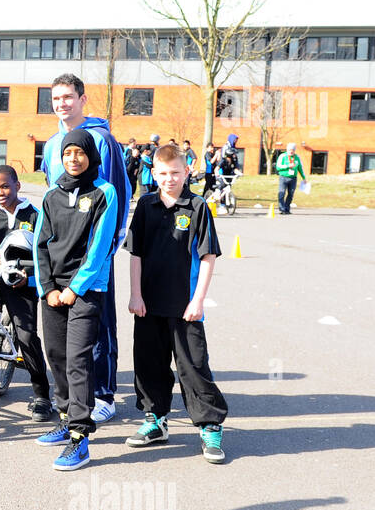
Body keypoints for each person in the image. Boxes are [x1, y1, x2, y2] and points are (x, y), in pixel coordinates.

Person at [126, 144, 228, 462]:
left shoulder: (197, 207)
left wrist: (198, 300)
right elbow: (136, 254)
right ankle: (155, 421)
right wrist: (135, 294)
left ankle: (210, 426)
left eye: (175, 173)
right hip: (148, 304)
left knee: (193, 366)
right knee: (149, 365)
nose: (169, 179)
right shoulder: (145, 205)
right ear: (153, 173)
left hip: (186, 306)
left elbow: (208, 256)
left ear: (187, 172)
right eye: (163, 173)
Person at [40, 74, 132, 424]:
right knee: (65, 336)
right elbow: (54, 195)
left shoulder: (103, 140)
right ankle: (74, 400)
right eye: (56, 98)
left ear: (82, 99)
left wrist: (110, 247)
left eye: (68, 97)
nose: (62, 104)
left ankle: (105, 392)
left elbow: (117, 196)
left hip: (95, 254)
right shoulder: (51, 145)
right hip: (63, 252)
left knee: (100, 326)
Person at [32, 129, 120, 471]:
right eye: (67, 153)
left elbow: (100, 246)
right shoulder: (52, 195)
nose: (73, 158)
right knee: (57, 355)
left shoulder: (104, 192)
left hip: (86, 290)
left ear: (89, 156)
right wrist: (48, 287)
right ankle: (66, 417)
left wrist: (75, 287)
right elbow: (41, 243)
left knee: (78, 360)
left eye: (79, 153)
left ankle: (80, 439)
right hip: (53, 289)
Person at [0, 164, 54, 422]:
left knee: (27, 336)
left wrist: (29, 277)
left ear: (18, 185)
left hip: (23, 283)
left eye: (5, 186)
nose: (0, 192)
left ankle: (42, 395)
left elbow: (46, 252)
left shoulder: (35, 216)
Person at [275, 141, 307, 215]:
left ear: (294, 150)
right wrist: (288, 166)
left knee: (291, 194)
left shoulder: (297, 157)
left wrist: (304, 178)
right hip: (283, 177)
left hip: (293, 178)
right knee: (282, 192)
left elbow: (300, 168)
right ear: (287, 150)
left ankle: (287, 209)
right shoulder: (282, 156)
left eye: (292, 150)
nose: (291, 152)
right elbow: (278, 167)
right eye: (289, 150)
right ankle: (281, 208)